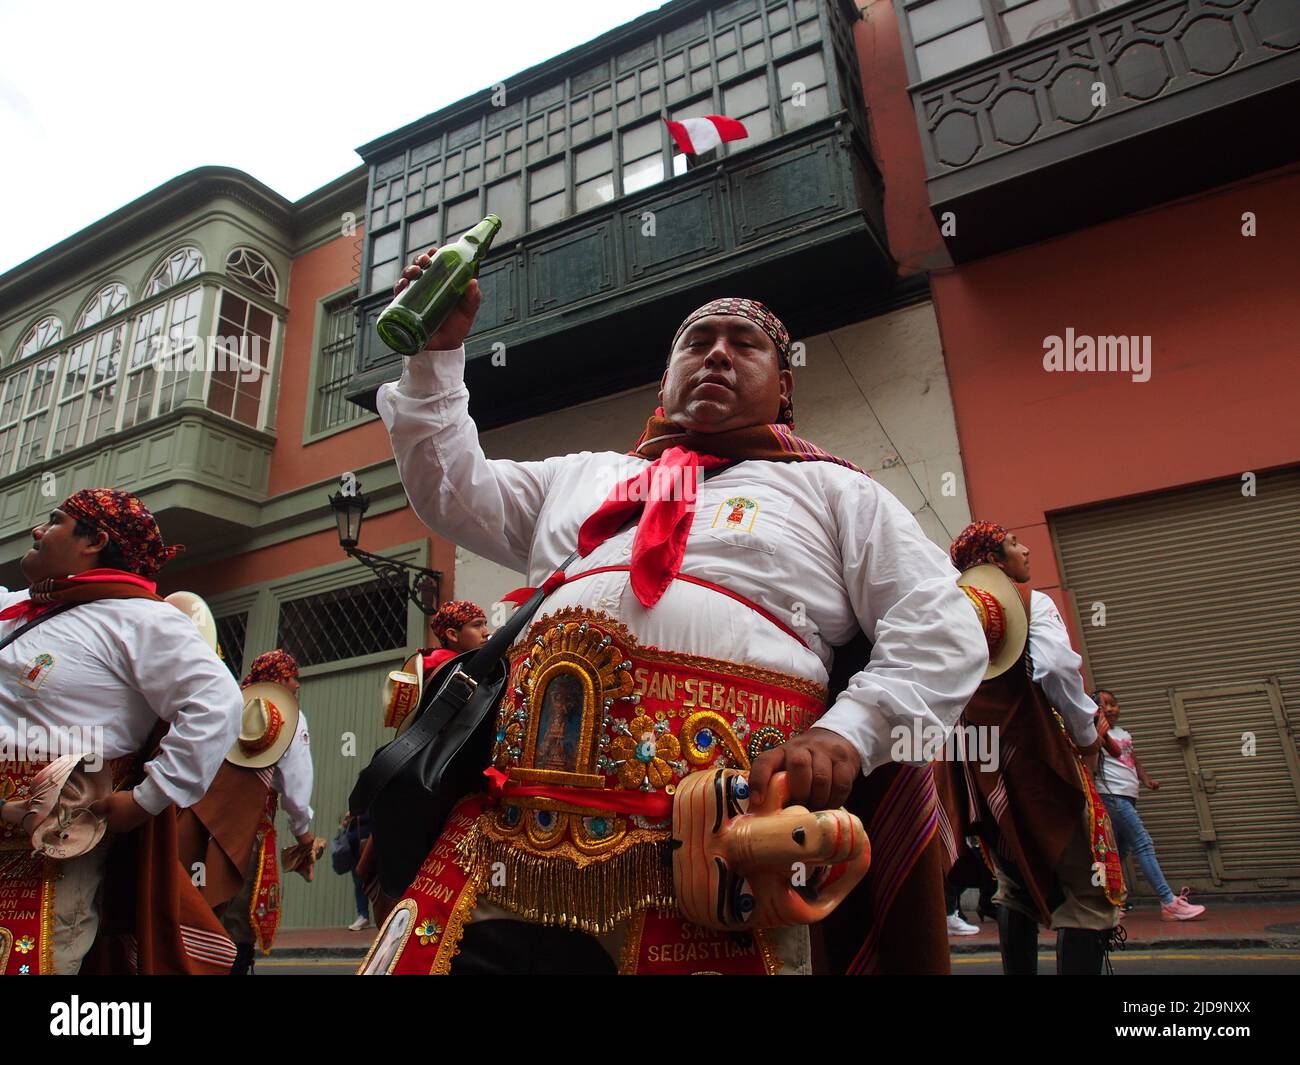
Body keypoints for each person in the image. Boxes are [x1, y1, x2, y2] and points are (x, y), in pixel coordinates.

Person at [364, 268, 987, 976]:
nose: (717, 354)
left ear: (785, 387)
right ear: (664, 383)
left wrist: (850, 734)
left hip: (716, 866)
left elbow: (940, 623)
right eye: (697, 342)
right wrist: (435, 355)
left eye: (744, 344)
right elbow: (450, 486)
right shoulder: (582, 477)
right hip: (499, 851)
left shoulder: (838, 491)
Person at [0, 489, 242, 974]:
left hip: (54, 837)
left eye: (55, 520)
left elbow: (216, 703)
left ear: (95, 541)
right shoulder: (20, 608)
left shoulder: (142, 619)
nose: (36, 530)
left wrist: (150, 797)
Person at [936, 521, 1124, 975]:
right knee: (1087, 895)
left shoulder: (951, 616)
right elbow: (1057, 668)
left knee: (1015, 887)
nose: (1027, 550)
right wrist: (1085, 738)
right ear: (994, 561)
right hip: (1037, 766)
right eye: (1014, 544)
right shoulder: (1030, 603)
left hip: (983, 774)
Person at [178, 649, 318, 975]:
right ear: (281, 679)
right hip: (247, 829)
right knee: (237, 917)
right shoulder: (288, 717)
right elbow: (296, 788)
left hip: (197, 821)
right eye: (294, 677)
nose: (297, 685)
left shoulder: (224, 702)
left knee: (196, 910)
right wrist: (304, 833)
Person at [1094, 689, 1206, 921]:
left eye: (1114, 704)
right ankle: (1168, 901)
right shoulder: (1095, 732)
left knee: (1119, 852)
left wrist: (1146, 780)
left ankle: (1108, 901)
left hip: (1127, 796)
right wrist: (1097, 734)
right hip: (1111, 795)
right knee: (1143, 843)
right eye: (1106, 705)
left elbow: (1133, 760)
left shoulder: (1123, 733)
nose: (1112, 709)